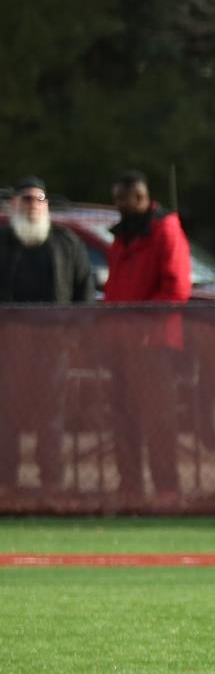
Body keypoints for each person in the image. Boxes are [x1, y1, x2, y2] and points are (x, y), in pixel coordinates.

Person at [102, 170, 191, 504]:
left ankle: (166, 488)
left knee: (158, 419)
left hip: (153, 343)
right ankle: (130, 487)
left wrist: (142, 323)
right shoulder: (122, 236)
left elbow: (177, 288)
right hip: (120, 341)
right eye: (117, 200)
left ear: (140, 198)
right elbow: (115, 287)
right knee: (123, 416)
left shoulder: (165, 229)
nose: (119, 206)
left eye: (123, 200)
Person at [1, 177, 94, 492]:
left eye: (39, 199)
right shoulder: (2, 242)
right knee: (6, 415)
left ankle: (51, 483)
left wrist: (75, 335)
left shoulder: (66, 243)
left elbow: (85, 291)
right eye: (26, 199)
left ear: (46, 205)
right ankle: (6, 484)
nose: (32, 205)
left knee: (50, 415)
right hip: (8, 346)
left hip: (53, 345)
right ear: (14, 204)